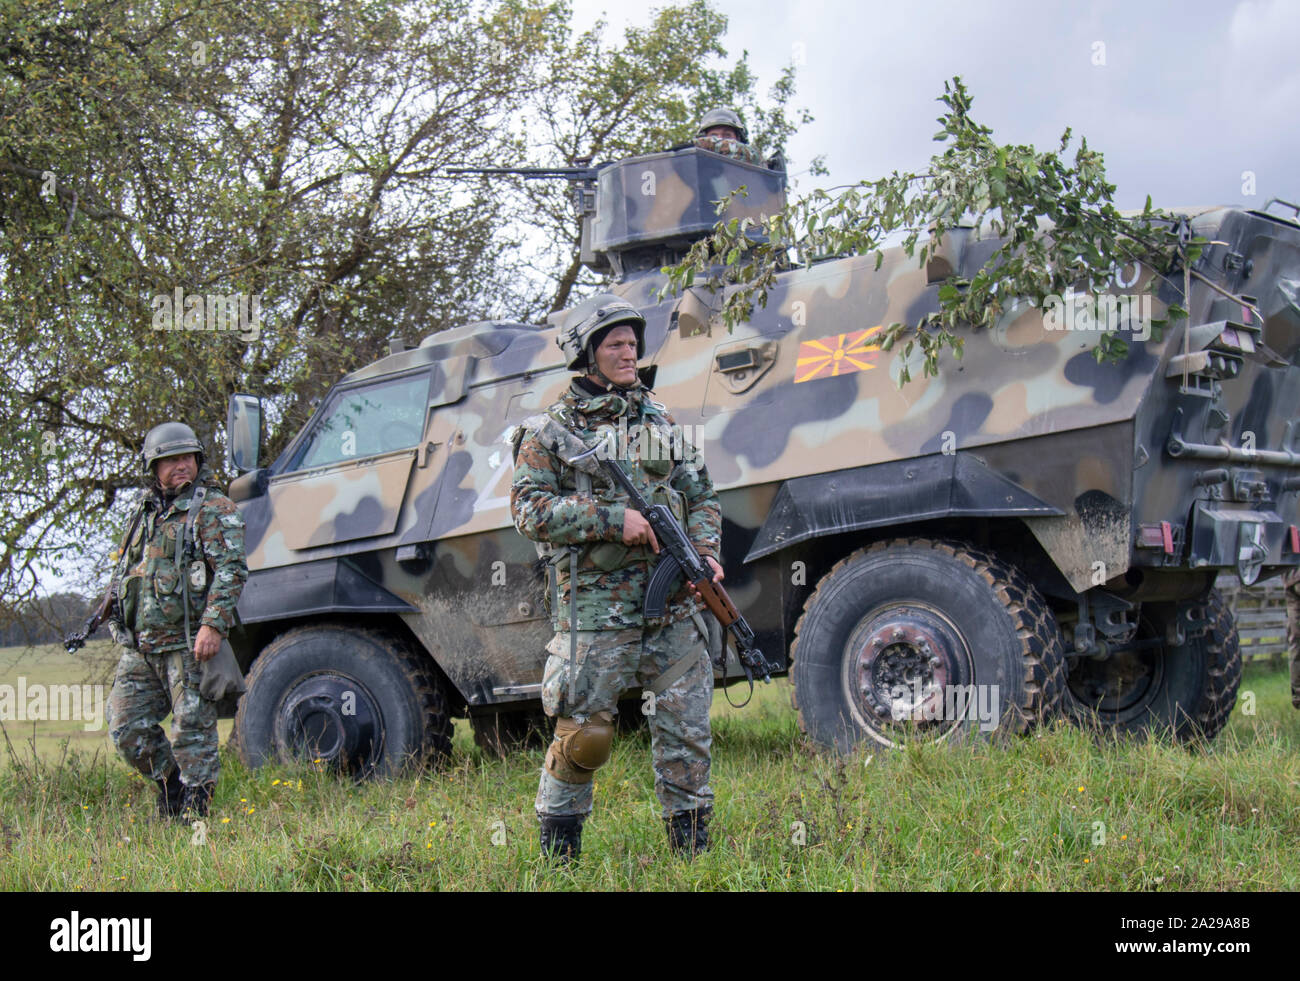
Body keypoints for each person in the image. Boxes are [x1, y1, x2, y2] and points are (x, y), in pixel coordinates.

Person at [510, 294, 723, 863]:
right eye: (615, 345)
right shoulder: (551, 433)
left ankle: (692, 861)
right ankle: (560, 865)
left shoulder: (658, 418)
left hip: (673, 609)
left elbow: (701, 494)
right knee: (584, 738)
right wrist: (611, 520)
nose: (629, 353)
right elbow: (529, 511)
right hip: (596, 618)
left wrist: (704, 551)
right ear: (587, 353)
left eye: (633, 343)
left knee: (686, 735)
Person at [106, 422, 248, 820]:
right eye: (169, 460)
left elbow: (232, 569)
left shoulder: (213, 508)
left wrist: (213, 625)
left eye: (186, 458)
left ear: (197, 460)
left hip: (189, 645)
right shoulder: (142, 510)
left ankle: (195, 818)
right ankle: (171, 787)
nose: (179, 467)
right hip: (142, 645)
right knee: (125, 726)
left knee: (192, 735)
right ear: (154, 467)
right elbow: (128, 565)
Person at [693, 107, 759, 165]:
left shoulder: (751, 159)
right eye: (713, 136)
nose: (720, 139)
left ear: (738, 138)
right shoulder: (696, 168)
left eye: (727, 135)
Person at [1287, 567, 1300, 709]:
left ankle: (1298, 695)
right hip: (1292, 579)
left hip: (1290, 577)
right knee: (1296, 640)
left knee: (1295, 641)